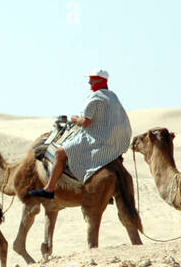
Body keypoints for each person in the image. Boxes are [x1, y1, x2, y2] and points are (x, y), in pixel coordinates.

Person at [25, 69, 132, 198]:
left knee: (59, 153)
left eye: (92, 79)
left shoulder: (96, 97)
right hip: (116, 142)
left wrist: (75, 119)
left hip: (96, 138)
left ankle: (49, 189)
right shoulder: (113, 97)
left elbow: (85, 121)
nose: (89, 82)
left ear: (99, 80)